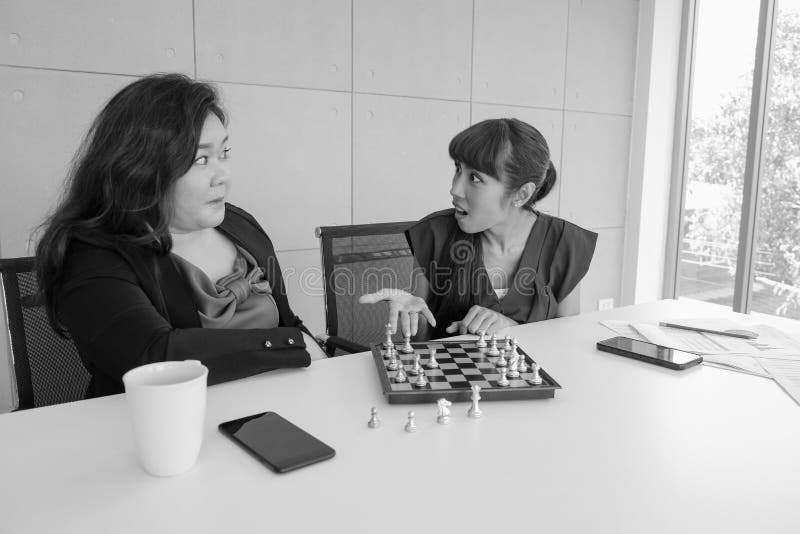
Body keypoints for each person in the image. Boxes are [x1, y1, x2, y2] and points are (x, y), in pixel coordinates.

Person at [34, 73, 325, 399]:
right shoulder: (91, 254)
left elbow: (288, 323)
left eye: (224, 153)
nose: (223, 175)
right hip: (155, 423)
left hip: (268, 412)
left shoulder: (241, 225)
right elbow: (156, 356)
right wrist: (289, 345)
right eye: (201, 159)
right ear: (141, 169)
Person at [360, 118, 597, 339]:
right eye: (458, 169)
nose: (455, 189)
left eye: (475, 178)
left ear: (521, 194)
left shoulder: (565, 243)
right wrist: (414, 314)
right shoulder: (435, 235)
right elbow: (423, 338)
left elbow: (564, 341)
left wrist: (511, 330)